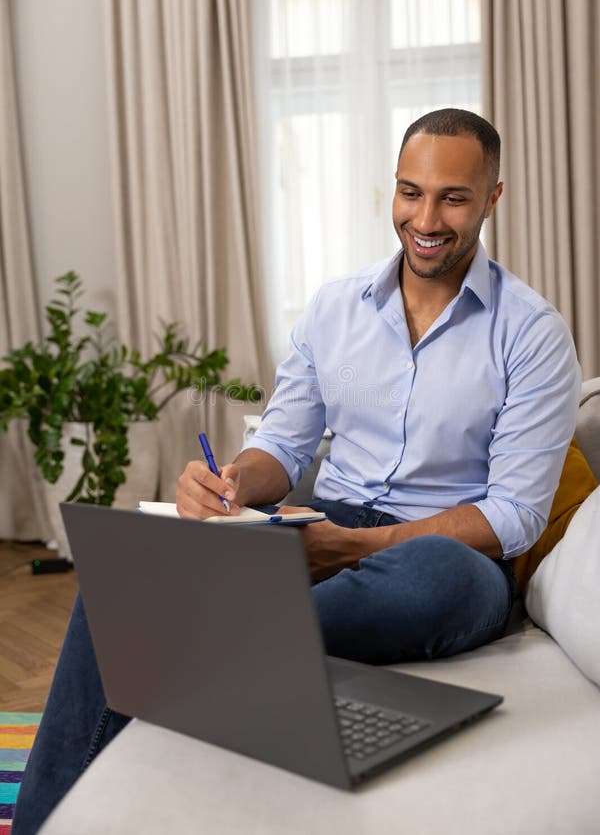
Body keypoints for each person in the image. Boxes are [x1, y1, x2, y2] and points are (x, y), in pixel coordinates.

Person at [13, 109, 580, 832]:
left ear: (492, 197)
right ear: (393, 192)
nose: (426, 217)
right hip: (311, 526)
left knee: (440, 580)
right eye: (411, 192)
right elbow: (281, 447)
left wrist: (357, 548)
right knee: (121, 585)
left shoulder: (532, 335)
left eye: (453, 197)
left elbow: (514, 518)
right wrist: (233, 483)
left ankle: (223, 637)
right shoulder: (335, 308)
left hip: (442, 556)